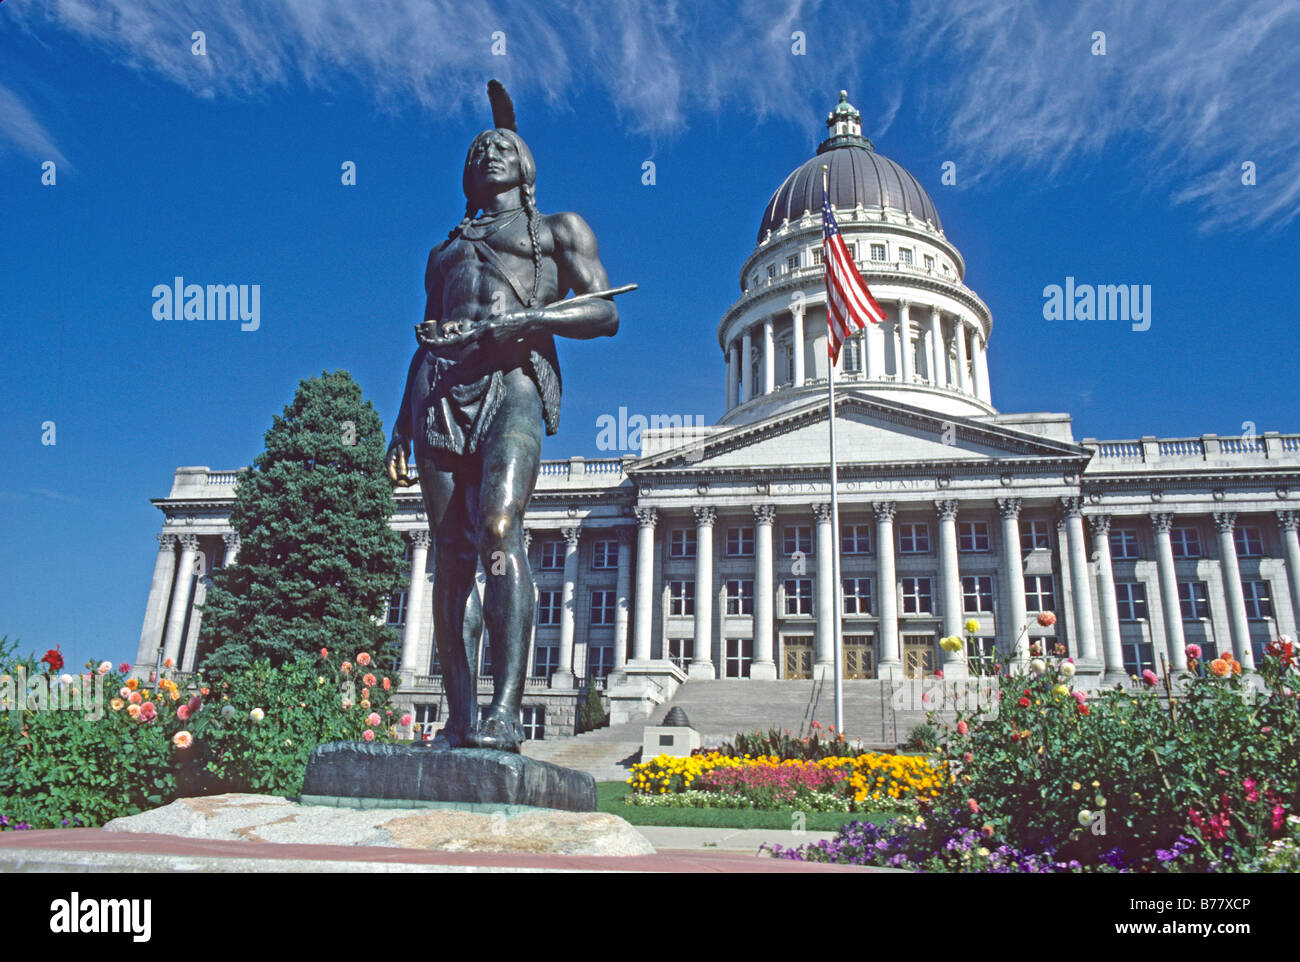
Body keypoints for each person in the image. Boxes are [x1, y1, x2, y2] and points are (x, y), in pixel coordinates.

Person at [386, 89, 618, 752]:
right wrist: (401, 425)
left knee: (497, 527)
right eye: (478, 150)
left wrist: (532, 318)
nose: (490, 151)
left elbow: (605, 313)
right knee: (452, 558)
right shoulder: (444, 252)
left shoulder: (557, 232)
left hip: (513, 381)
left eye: (502, 146)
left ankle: (507, 709)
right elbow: (425, 338)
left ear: (525, 166)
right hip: (439, 394)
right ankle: (460, 718)